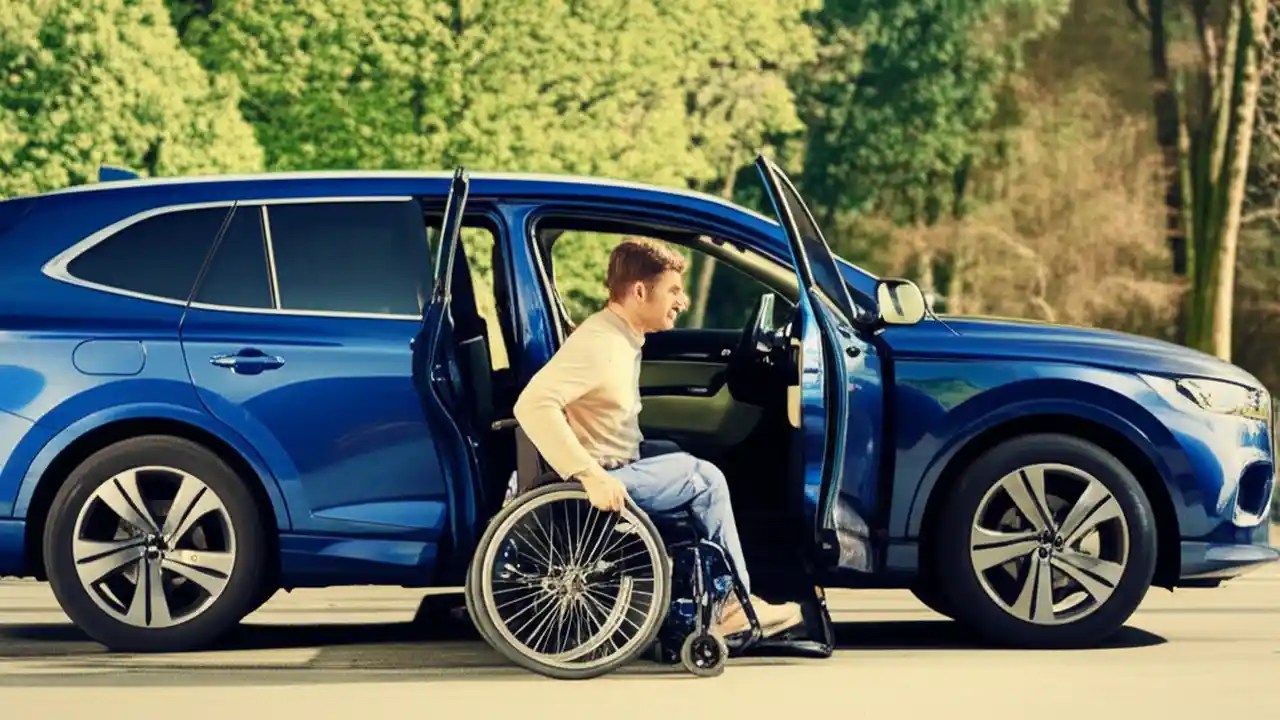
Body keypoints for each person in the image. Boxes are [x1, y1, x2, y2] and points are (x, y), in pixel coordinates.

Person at [513, 238, 804, 639]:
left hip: (618, 463)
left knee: (678, 455)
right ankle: (730, 606)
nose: (681, 301)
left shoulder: (621, 337)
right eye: (673, 290)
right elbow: (532, 405)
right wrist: (588, 474)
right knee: (705, 480)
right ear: (639, 292)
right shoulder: (601, 345)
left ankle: (704, 599)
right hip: (597, 483)